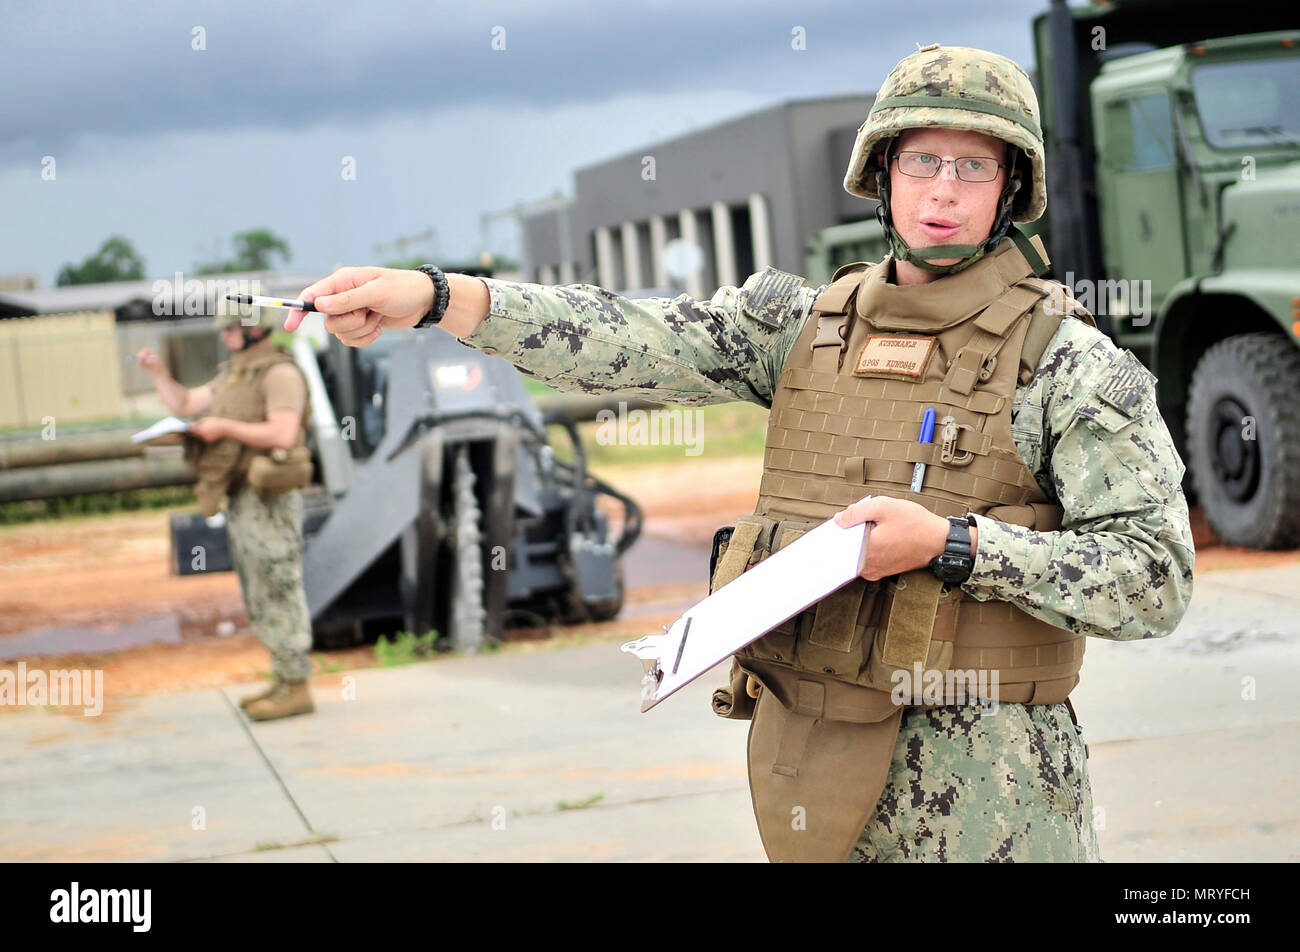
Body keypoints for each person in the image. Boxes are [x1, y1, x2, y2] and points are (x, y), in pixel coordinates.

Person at [285, 44, 1195, 860]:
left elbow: (1154, 576)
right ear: (882, 175)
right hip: (817, 770)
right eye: (922, 161)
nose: (944, 191)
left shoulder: (1068, 364)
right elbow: (628, 335)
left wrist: (954, 547)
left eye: (973, 165)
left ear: (1010, 188)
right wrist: (440, 298)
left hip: (994, 800)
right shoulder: (800, 327)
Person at [137, 295, 316, 721]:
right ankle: (284, 677)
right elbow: (184, 405)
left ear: (256, 329)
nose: (225, 335)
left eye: (233, 328)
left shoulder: (280, 373)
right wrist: (158, 374)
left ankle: (297, 685)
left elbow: (284, 433)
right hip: (241, 495)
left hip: (268, 496)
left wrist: (223, 427)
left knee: (277, 581)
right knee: (258, 587)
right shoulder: (233, 376)